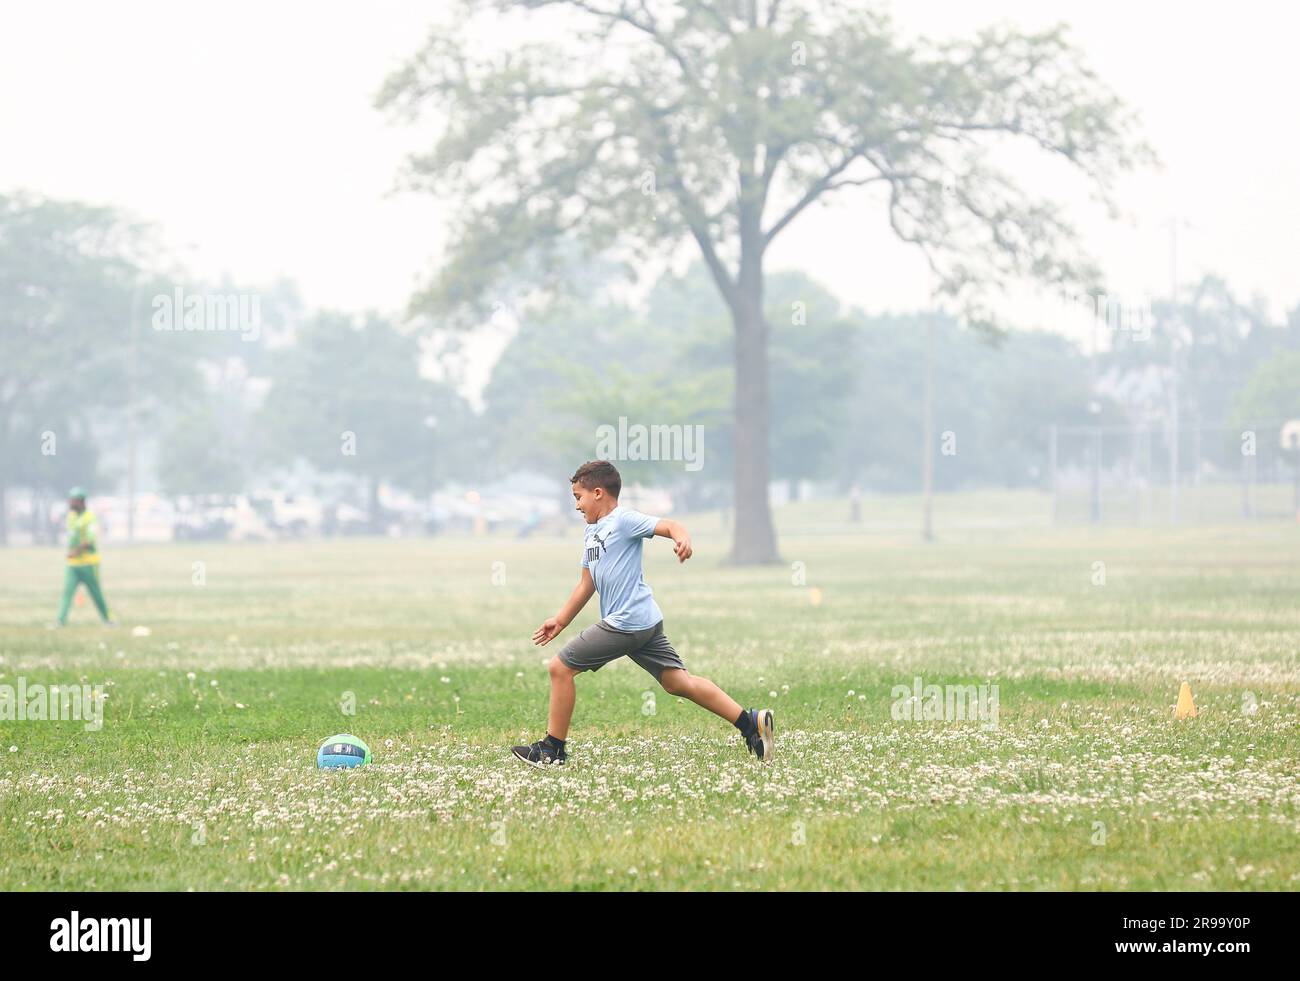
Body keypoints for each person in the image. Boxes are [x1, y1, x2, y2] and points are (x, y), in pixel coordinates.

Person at [514, 460, 773, 766]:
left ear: (598, 493)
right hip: (644, 622)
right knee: (678, 683)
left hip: (627, 622)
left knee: (560, 668)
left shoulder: (624, 520)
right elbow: (587, 583)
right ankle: (750, 724)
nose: (577, 506)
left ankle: (551, 749)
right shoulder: (591, 533)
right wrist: (561, 620)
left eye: (578, 497)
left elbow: (670, 525)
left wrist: (682, 539)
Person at [54, 487, 115, 627]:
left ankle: (108, 619)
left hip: (89, 563)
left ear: (81, 502)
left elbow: (90, 539)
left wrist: (76, 551)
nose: (70, 503)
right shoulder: (71, 516)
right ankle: (60, 621)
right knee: (67, 593)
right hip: (73, 564)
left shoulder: (90, 517)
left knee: (96, 593)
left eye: (73, 500)